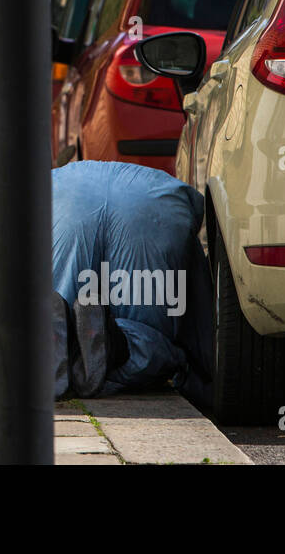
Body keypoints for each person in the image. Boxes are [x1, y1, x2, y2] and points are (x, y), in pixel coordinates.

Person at [49, 161, 214, 405]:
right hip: (154, 207)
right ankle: (118, 344)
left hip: (64, 201)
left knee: (57, 312)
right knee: (153, 332)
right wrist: (204, 374)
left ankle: (60, 343)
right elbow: (200, 321)